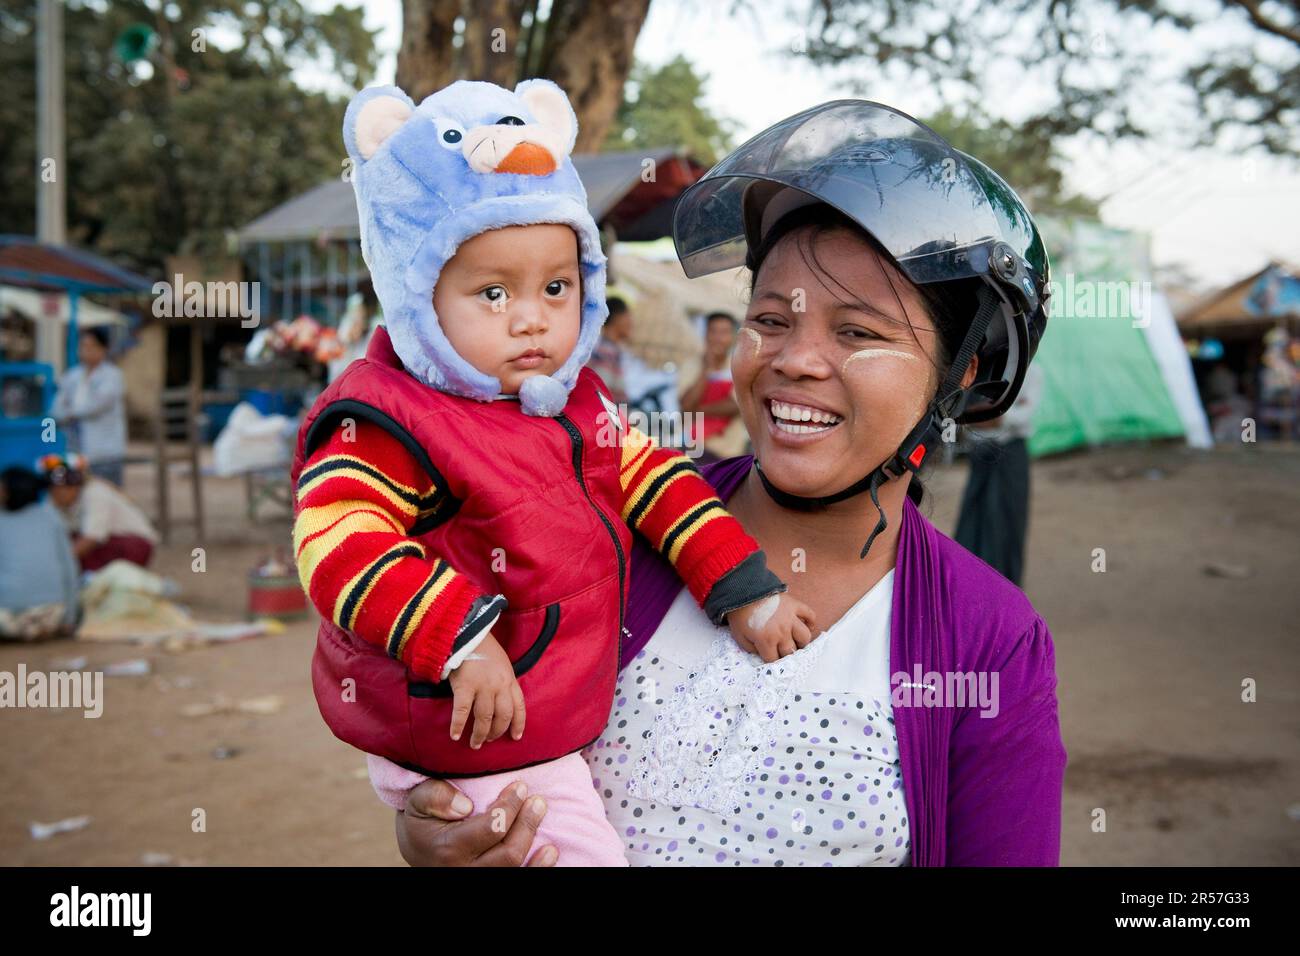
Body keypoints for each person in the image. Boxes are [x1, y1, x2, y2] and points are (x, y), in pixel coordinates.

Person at [380, 99, 1066, 867]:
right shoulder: (609, 525)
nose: (795, 361)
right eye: (771, 320)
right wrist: (441, 826)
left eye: (858, 332)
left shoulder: (988, 640)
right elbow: (457, 717)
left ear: (959, 374)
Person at [289, 79, 817, 867]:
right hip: (472, 724)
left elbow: (658, 482)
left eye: (556, 287)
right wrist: (460, 639)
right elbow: (336, 544)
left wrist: (741, 587)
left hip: (528, 717)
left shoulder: (571, 401)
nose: (532, 317)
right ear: (416, 292)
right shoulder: (388, 419)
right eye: (492, 292)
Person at [954, 361, 1044, 586]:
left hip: (1011, 456)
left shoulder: (1032, 371)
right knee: (975, 516)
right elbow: (966, 414)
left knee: (1007, 520)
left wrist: (994, 417)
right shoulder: (981, 369)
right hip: (982, 454)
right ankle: (970, 585)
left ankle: (1005, 588)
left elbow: (1023, 414)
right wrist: (992, 416)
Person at [0, 467, 80, 641]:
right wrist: (70, 619)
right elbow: (70, 569)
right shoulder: (51, 516)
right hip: (52, 617)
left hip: (6, 618)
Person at [40, 453, 158, 572]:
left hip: (131, 545)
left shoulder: (95, 493)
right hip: (101, 545)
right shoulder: (55, 502)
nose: (53, 495)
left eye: (57, 490)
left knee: (78, 546)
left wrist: (55, 564)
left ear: (72, 487)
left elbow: (92, 538)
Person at [51, 326, 128, 486]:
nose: (87, 351)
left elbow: (94, 406)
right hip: (75, 453)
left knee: (106, 498)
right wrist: (68, 411)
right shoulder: (72, 375)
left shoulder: (112, 376)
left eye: (92, 347)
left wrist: (70, 411)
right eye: (83, 346)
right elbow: (56, 408)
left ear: (103, 349)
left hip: (105, 454)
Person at [680, 311, 743, 463]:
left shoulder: (740, 367)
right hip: (692, 450)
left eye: (724, 332)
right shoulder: (690, 365)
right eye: (713, 331)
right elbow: (685, 405)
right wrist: (706, 370)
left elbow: (735, 406)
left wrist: (694, 411)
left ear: (733, 337)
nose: (718, 338)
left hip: (727, 455)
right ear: (705, 334)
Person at [585, 295, 632, 403]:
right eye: (628, 317)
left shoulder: (612, 350)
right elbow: (599, 395)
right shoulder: (606, 352)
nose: (631, 323)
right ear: (617, 318)